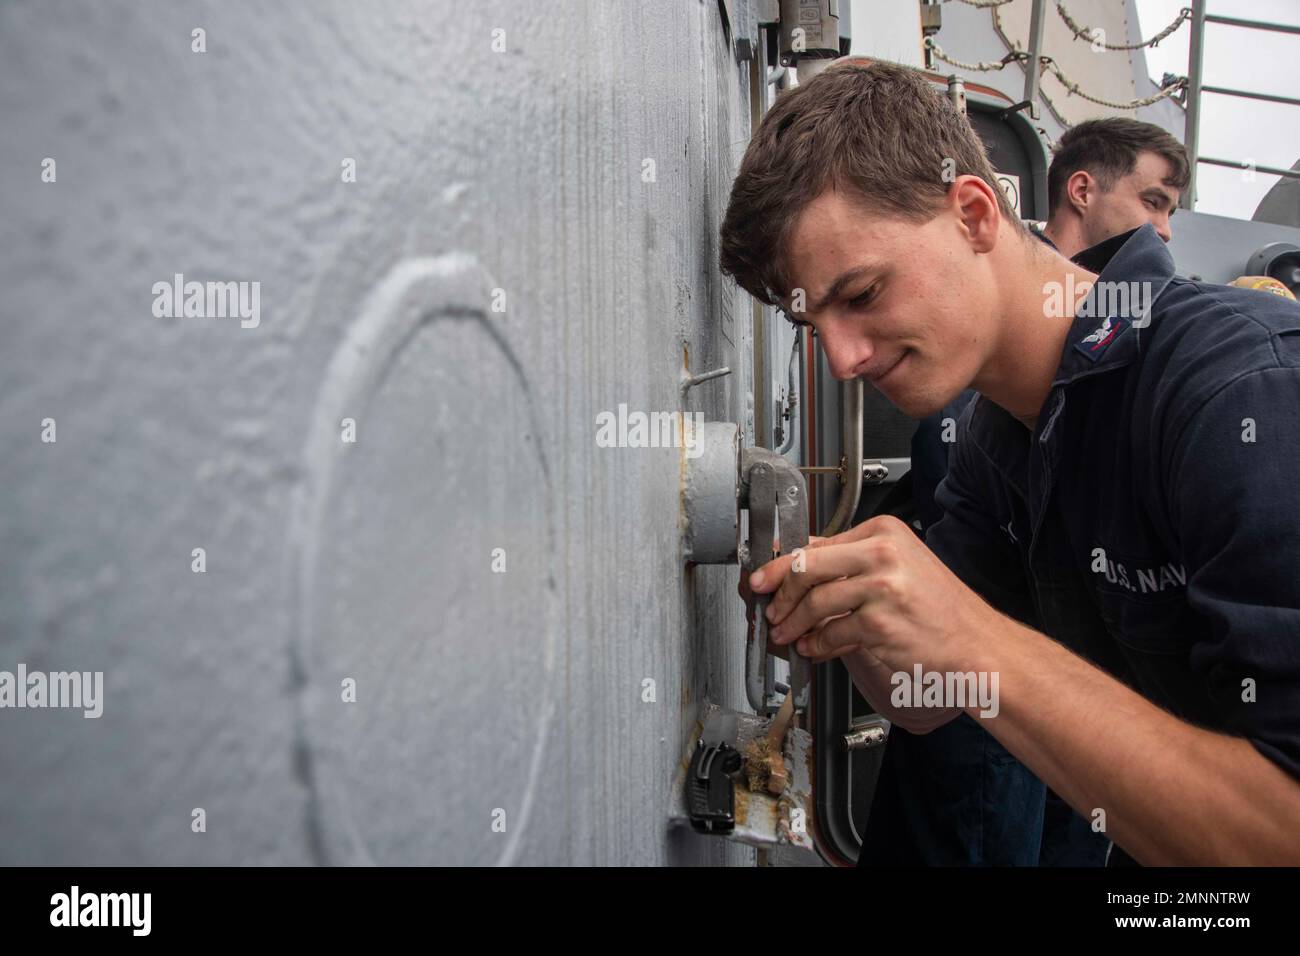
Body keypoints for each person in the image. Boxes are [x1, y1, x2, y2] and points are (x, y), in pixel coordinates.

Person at [720, 60, 1300, 865]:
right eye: (815, 326)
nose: (844, 359)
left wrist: (974, 639)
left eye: (861, 294)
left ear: (973, 212)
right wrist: (848, 616)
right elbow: (928, 707)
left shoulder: (1238, 389)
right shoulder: (999, 444)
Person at [890, 118, 1191, 866]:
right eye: (1154, 201)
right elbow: (952, 463)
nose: (1164, 231)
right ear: (1082, 189)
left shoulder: (1155, 348)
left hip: (1071, 710)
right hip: (993, 714)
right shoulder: (1008, 332)